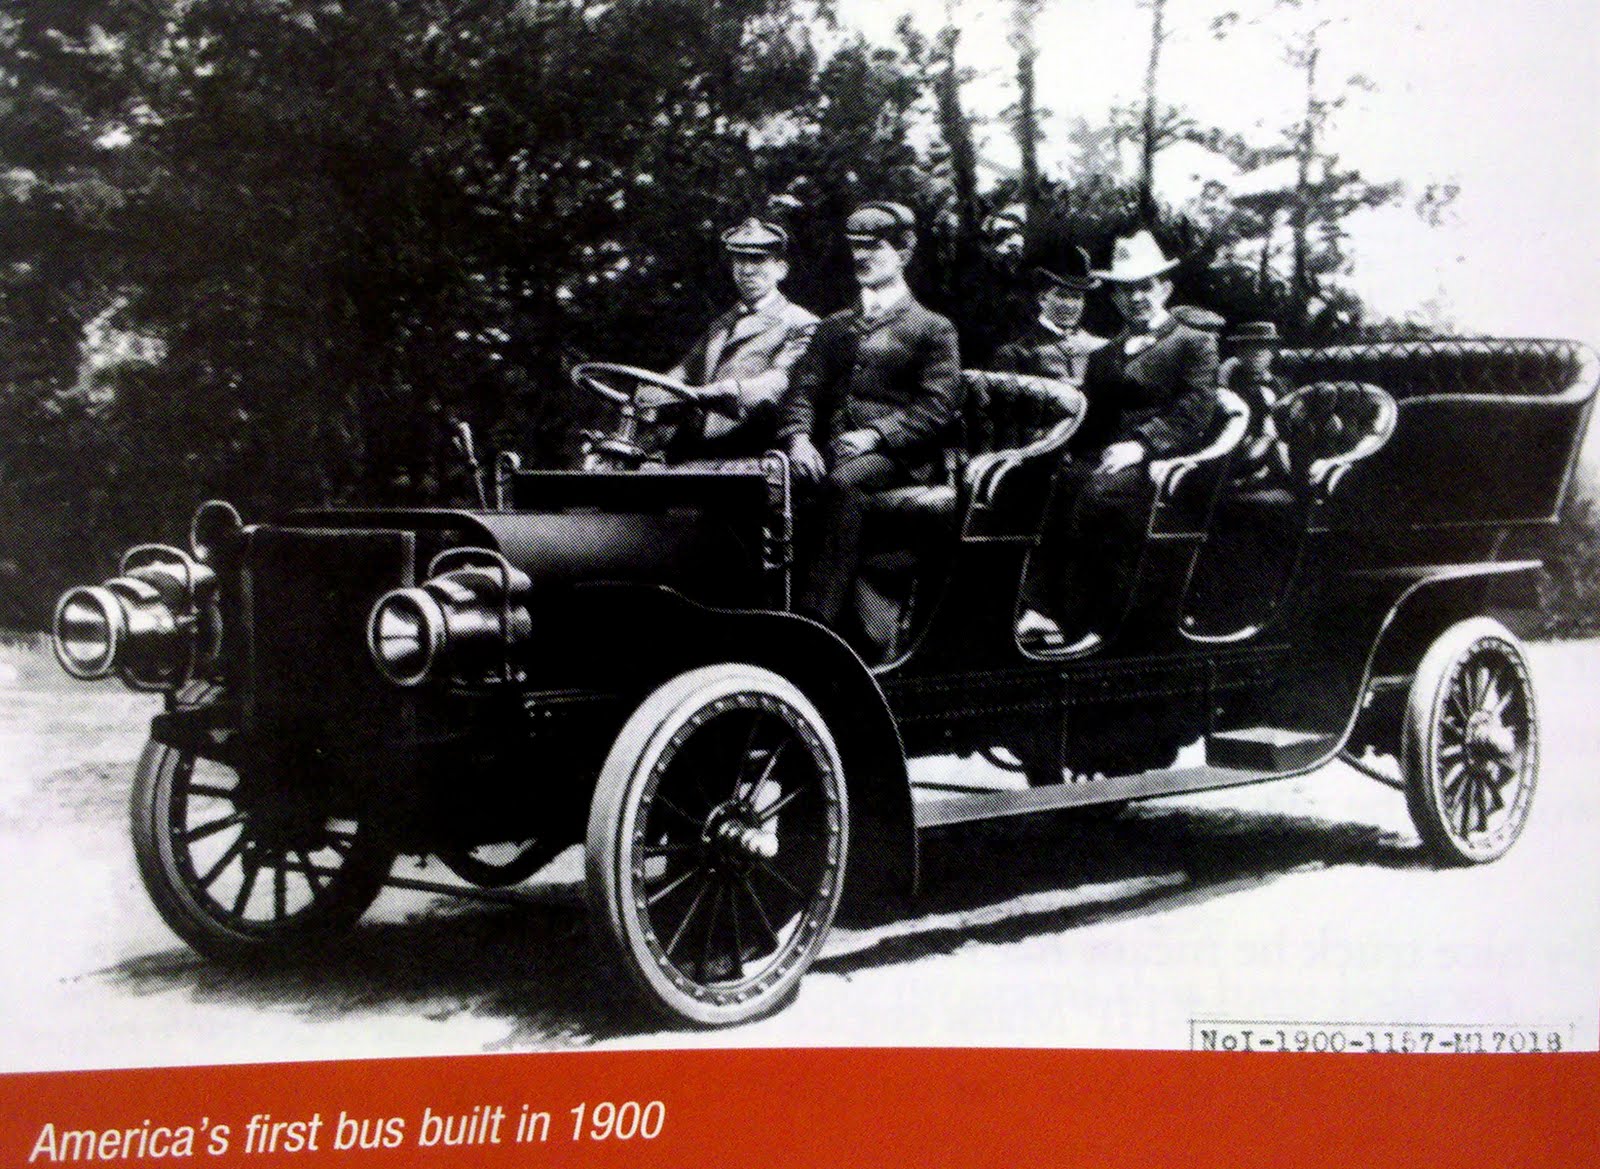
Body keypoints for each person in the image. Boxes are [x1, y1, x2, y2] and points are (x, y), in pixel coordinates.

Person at [1017, 230, 1220, 651]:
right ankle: (1043, 608)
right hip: (1107, 456)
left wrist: (1143, 445)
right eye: (1125, 291)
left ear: (1164, 288)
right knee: (1053, 480)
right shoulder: (1106, 352)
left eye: (1145, 288)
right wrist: (1056, 449)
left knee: (1100, 493)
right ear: (1113, 299)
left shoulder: (1193, 342)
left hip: (1165, 461)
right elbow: (1091, 416)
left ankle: (1098, 621)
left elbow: (1196, 409)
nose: (1136, 299)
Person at [777, 201, 962, 635]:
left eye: (874, 247)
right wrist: (799, 439)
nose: (861, 257)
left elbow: (936, 408)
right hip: (830, 450)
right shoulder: (835, 327)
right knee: (771, 479)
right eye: (855, 247)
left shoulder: (932, 328)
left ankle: (814, 623)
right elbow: (803, 389)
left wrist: (876, 436)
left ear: (903, 253)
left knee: (843, 484)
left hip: (902, 459)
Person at [663, 217, 818, 462]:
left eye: (757, 259)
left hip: (754, 451)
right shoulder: (721, 324)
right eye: (740, 260)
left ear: (781, 269)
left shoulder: (800, 323)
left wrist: (733, 390)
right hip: (694, 449)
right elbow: (684, 371)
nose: (747, 270)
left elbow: (782, 380)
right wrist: (650, 391)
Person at [992, 246, 1107, 385]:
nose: (1070, 305)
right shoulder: (1018, 352)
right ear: (1042, 298)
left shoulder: (1100, 348)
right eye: (1062, 296)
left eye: (1077, 297)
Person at [1218, 320, 1287, 479]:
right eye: (1251, 347)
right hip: (1240, 453)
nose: (1258, 353)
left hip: (1283, 450)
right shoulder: (1230, 386)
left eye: (1264, 347)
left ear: (1272, 352)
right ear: (1240, 352)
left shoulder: (1283, 385)